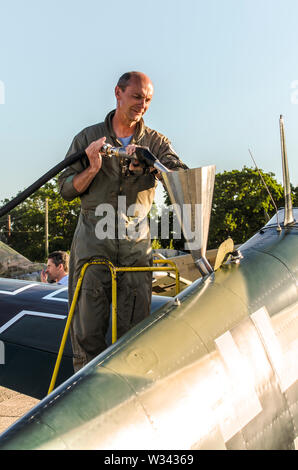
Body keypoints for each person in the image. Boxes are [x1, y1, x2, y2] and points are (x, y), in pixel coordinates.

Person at [58, 71, 188, 371]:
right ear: (118, 93)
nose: (143, 104)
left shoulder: (156, 141)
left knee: (135, 338)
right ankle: (87, 402)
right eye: (137, 97)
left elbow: (180, 176)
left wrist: (151, 164)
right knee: (87, 334)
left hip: (135, 254)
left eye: (148, 100)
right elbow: (65, 189)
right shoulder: (88, 138)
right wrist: (91, 168)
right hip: (93, 250)